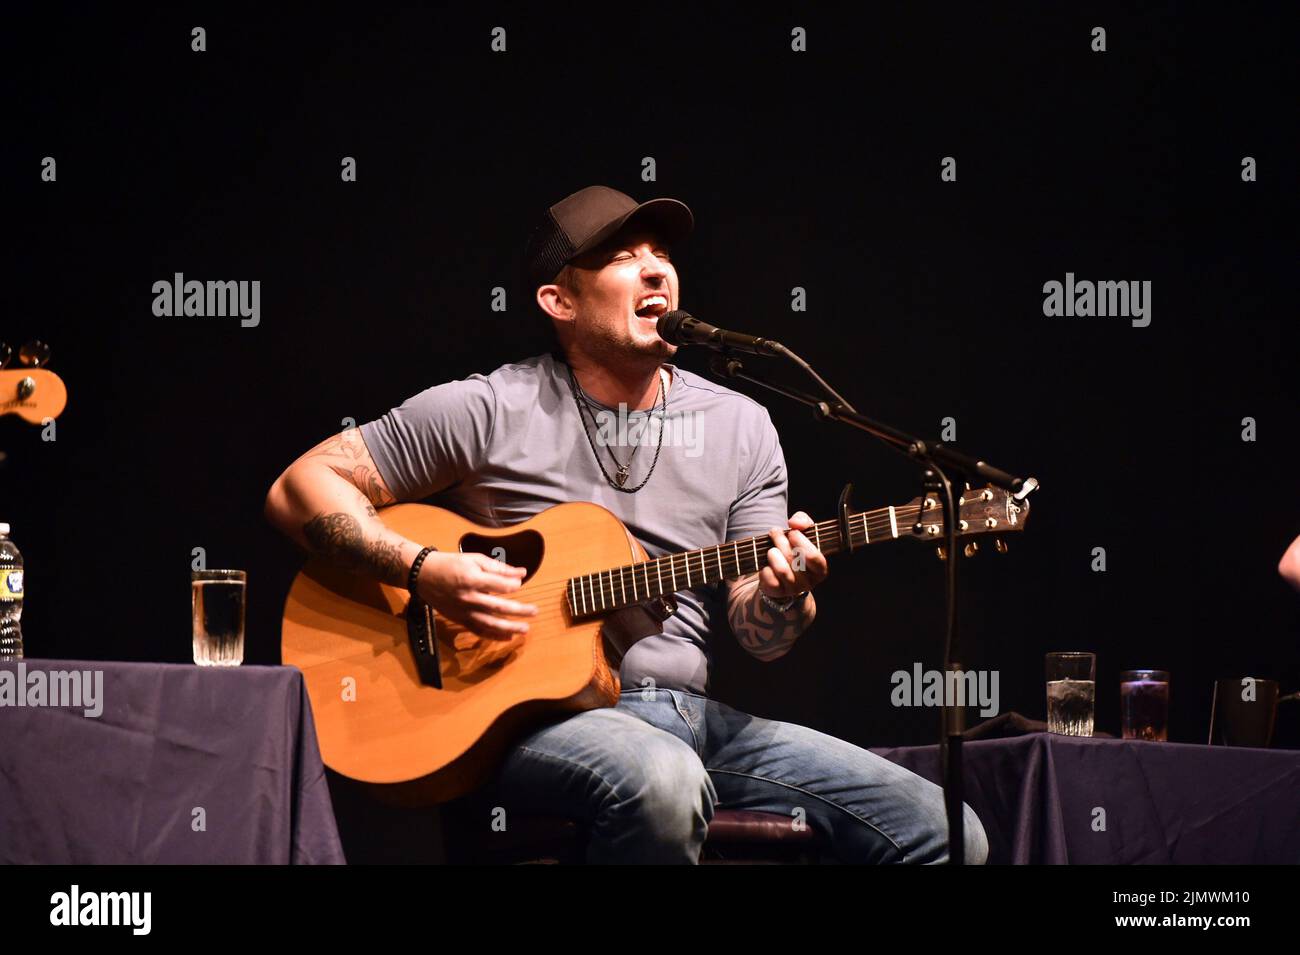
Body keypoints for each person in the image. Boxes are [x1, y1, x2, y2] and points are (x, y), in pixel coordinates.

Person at [264, 184, 989, 864]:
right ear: (559, 300)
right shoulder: (490, 407)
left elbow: (759, 634)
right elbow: (301, 487)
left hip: (696, 719)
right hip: (533, 724)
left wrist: (784, 593)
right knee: (662, 780)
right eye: (622, 257)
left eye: (662, 255)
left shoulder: (741, 427)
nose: (655, 272)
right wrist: (426, 571)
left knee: (947, 829)